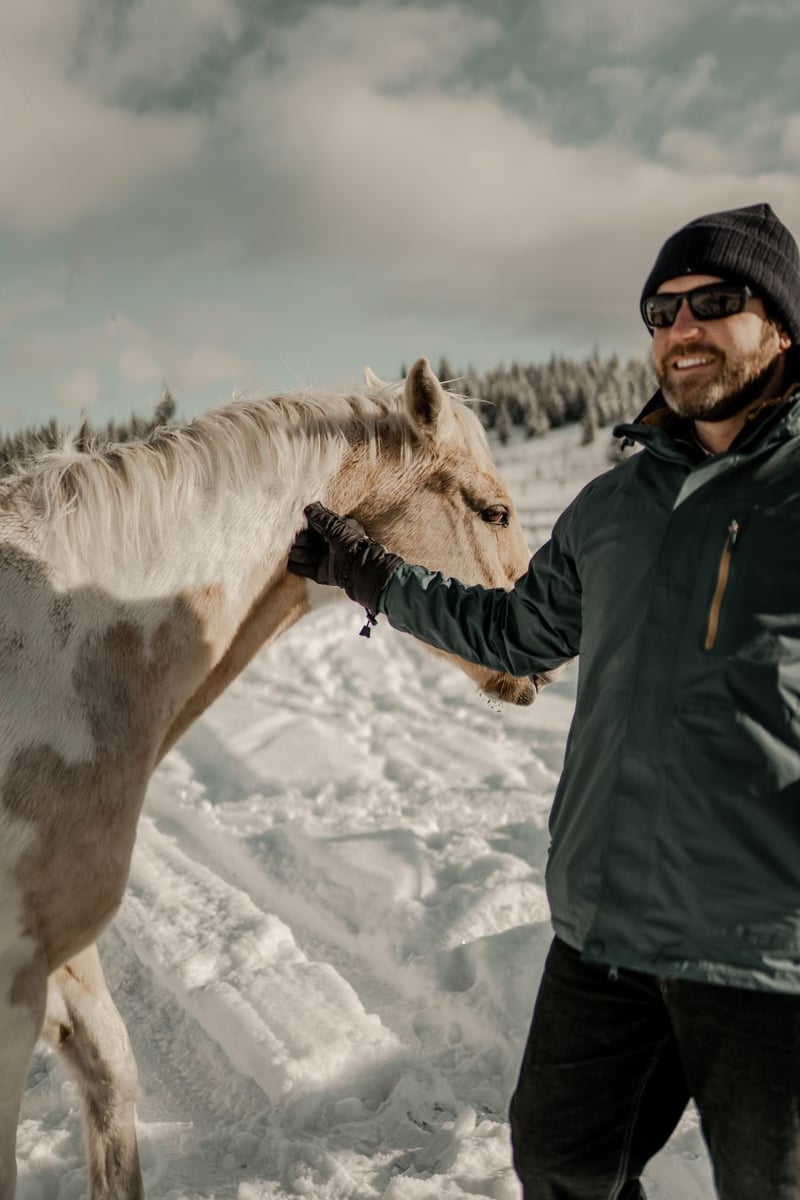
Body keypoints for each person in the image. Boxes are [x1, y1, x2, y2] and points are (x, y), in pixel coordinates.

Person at [288, 203, 800, 1200]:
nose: (682, 327)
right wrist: (377, 579)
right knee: (562, 1163)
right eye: (662, 310)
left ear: (780, 325)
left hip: (767, 948)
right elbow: (518, 631)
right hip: (608, 929)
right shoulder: (615, 506)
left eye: (715, 302)